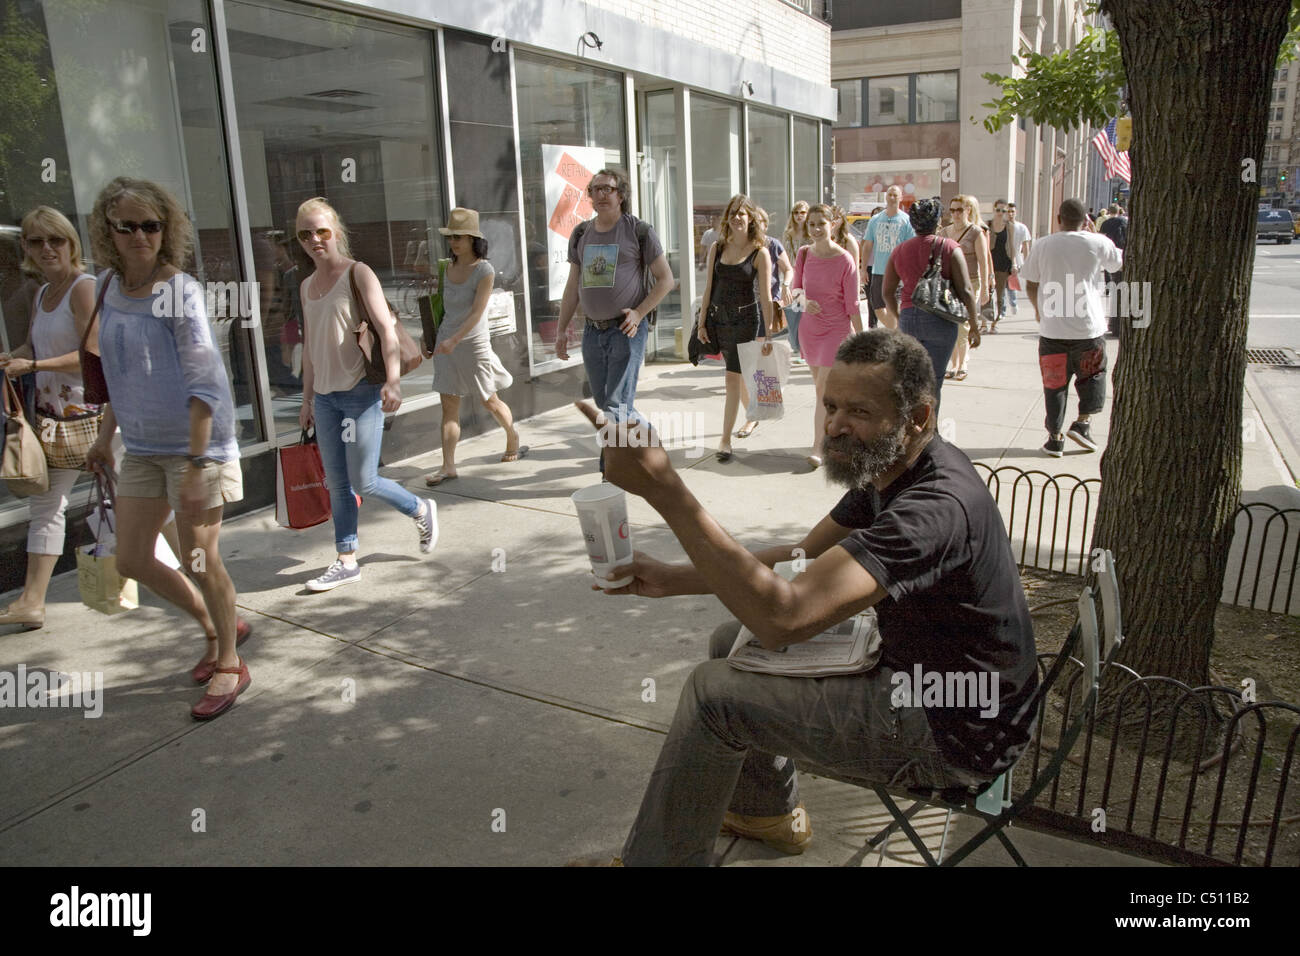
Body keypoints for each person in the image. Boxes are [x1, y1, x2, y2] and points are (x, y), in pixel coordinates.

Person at [578, 329, 1039, 866]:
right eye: (830, 406)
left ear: (918, 418)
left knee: (713, 696)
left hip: (955, 729)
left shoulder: (933, 509)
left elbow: (785, 617)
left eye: (858, 412)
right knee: (731, 638)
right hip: (933, 683)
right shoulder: (892, 465)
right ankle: (765, 811)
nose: (835, 426)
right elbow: (799, 559)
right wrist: (674, 578)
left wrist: (665, 489)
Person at [81, 177, 251, 720]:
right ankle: (212, 623)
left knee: (201, 558)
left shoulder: (178, 290)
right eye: (125, 226)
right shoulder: (107, 286)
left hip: (195, 445)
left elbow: (206, 382)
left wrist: (199, 463)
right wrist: (105, 437)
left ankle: (230, 660)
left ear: (166, 229)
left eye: (150, 225)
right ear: (108, 232)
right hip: (142, 446)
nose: (139, 236)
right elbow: (119, 374)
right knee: (131, 558)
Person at [295, 196, 438, 591]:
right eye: (305, 234)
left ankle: (420, 508)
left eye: (321, 231)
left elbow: (386, 329)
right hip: (325, 399)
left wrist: (393, 381)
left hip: (360, 393)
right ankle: (346, 558)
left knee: (364, 481)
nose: (314, 240)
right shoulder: (307, 286)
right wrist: (307, 400)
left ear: (336, 231)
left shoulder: (358, 273)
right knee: (337, 485)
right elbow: (309, 350)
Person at [0, 207, 97, 630]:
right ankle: (31, 601)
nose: (46, 249)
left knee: (144, 501)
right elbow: (33, 343)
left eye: (55, 240)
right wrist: (18, 356)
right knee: (47, 506)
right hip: (55, 420)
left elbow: (90, 356)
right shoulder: (41, 293)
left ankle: (198, 576)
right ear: (25, 247)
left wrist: (35, 366)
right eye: (36, 241)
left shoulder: (82, 287)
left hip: (96, 419)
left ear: (70, 242)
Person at [554, 168, 674, 467]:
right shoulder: (581, 233)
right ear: (590, 197)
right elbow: (573, 286)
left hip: (626, 330)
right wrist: (560, 329)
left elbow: (666, 280)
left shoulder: (638, 231)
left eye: (608, 189)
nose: (602, 194)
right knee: (606, 401)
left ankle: (611, 470)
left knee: (615, 407)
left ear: (621, 195)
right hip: (593, 332)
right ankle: (649, 439)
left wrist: (638, 312)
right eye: (596, 189)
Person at [422, 207, 524, 486]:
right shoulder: (447, 267)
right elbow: (440, 308)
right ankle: (448, 466)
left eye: (460, 236)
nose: (454, 242)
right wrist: (430, 338)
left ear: (473, 239)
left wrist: (455, 340)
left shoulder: (484, 270)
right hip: (445, 342)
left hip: (472, 343)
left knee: (488, 399)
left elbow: (478, 313)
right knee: (449, 406)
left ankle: (512, 435)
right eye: (451, 236)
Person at [1019, 198, 1124, 458]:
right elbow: (1117, 264)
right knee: (1093, 377)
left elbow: (1031, 283)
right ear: (1085, 220)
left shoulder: (1043, 244)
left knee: (1054, 385)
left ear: (1058, 219)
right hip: (1088, 329)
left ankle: (1055, 438)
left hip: (1052, 330)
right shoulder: (1098, 242)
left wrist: (1037, 309)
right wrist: (1094, 234)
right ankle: (1083, 423)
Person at [697, 194, 773, 461]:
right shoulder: (718, 248)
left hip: (745, 322)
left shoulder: (760, 253)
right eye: (733, 213)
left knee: (732, 378)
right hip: (720, 320)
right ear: (727, 219)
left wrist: (769, 335)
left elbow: (765, 297)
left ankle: (725, 439)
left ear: (751, 218)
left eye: (742, 213)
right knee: (738, 377)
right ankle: (752, 415)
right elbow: (708, 287)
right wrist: (702, 321)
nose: (737, 218)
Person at [882, 198, 980, 404]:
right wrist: (974, 324)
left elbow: (887, 292)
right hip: (940, 320)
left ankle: (910, 429)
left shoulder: (899, 251)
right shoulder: (949, 247)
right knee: (933, 382)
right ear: (937, 222)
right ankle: (929, 431)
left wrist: (900, 316)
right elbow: (966, 290)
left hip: (909, 318)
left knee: (912, 380)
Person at [790, 204, 859, 470]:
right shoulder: (804, 254)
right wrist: (805, 302)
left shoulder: (845, 259)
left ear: (833, 224)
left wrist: (863, 339)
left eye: (821, 223)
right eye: (812, 224)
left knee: (821, 390)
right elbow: (795, 290)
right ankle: (837, 437)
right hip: (810, 330)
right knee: (824, 391)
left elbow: (852, 304)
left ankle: (818, 445)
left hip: (837, 330)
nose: (817, 229)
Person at [940, 195, 992, 381]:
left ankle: (962, 364)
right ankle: (953, 363)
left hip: (970, 282)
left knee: (963, 323)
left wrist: (985, 287)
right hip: (948, 283)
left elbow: (983, 262)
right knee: (950, 323)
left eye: (959, 210)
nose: (955, 214)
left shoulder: (976, 232)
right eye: (952, 210)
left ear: (968, 210)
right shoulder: (944, 232)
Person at [861, 186, 914, 329]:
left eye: (895, 195)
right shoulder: (875, 220)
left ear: (900, 198)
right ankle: (897, 331)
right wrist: (863, 269)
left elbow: (910, 249)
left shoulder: (906, 220)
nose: (892, 198)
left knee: (893, 307)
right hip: (878, 271)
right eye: (889, 195)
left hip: (897, 272)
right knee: (877, 307)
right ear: (886, 196)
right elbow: (867, 246)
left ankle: (895, 335)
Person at [755, 208, 793, 348]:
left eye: (759, 222)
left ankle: (758, 368)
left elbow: (788, 269)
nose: (755, 226)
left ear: (765, 225)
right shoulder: (743, 246)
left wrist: (786, 285)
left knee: (761, 340)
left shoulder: (773, 244)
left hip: (767, 300)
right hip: (746, 302)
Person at [781, 202, 812, 361]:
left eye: (802, 212)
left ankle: (801, 346)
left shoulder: (811, 234)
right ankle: (797, 343)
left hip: (808, 276)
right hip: (792, 275)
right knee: (794, 312)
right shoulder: (788, 234)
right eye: (796, 212)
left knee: (803, 312)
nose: (799, 215)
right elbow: (784, 257)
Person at [987, 199, 1014, 329]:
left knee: (1000, 295)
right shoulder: (988, 225)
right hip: (990, 263)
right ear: (994, 209)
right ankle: (983, 323)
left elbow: (1012, 246)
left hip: (1003, 264)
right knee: (987, 294)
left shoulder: (1009, 226)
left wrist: (1013, 264)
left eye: (1003, 211)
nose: (1000, 213)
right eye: (998, 210)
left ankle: (994, 323)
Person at [1006, 202, 1032, 310]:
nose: (1010, 214)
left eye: (1012, 211)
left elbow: (1026, 247)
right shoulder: (1001, 227)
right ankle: (1006, 306)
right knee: (1003, 283)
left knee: (1011, 281)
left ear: (1016, 213)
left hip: (1016, 259)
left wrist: (1027, 263)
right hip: (1003, 258)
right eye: (1008, 211)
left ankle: (1013, 303)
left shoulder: (1022, 228)